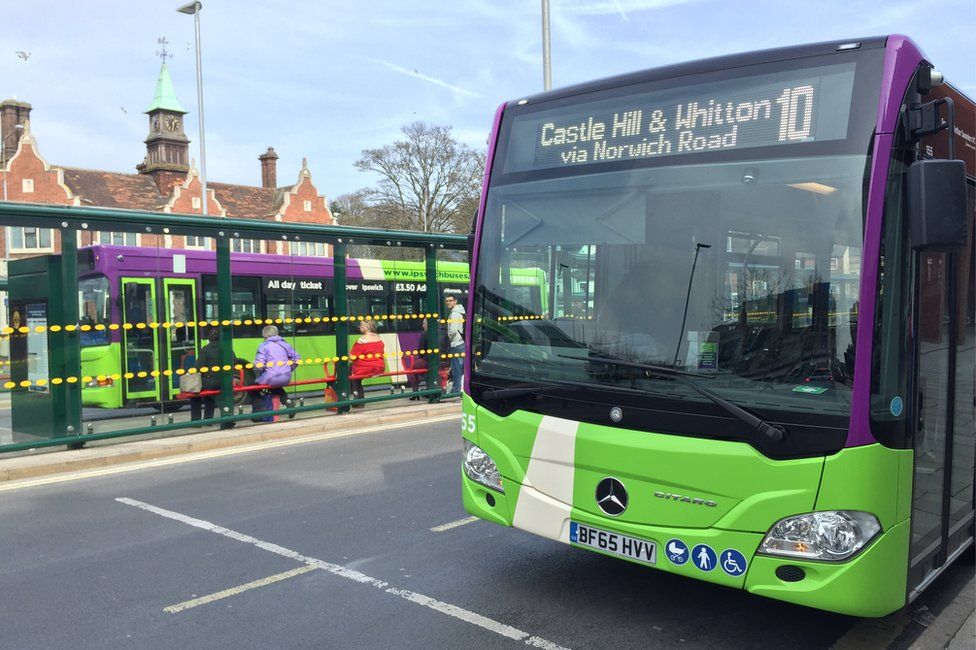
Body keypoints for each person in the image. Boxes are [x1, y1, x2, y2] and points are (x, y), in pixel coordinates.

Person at [253, 325, 300, 419]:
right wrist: (289, 369)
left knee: (254, 389)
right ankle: (289, 403)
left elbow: (259, 365)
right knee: (275, 386)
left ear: (264, 336)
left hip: (271, 377)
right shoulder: (285, 344)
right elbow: (297, 359)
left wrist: (258, 373)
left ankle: (258, 414)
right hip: (286, 376)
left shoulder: (263, 346)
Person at [349, 319, 385, 407]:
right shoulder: (379, 338)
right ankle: (359, 399)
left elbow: (352, 357)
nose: (359, 327)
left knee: (351, 375)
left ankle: (357, 400)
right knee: (355, 376)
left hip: (365, 367)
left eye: (361, 325)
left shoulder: (361, 340)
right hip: (379, 367)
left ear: (367, 327)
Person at [190, 328, 222, 422]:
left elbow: (198, 367)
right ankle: (208, 420)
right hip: (224, 381)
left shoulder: (205, 350)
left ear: (209, 338)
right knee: (210, 396)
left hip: (209, 382)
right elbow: (234, 363)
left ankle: (196, 420)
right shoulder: (227, 349)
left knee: (195, 396)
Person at [445, 294, 465, 393]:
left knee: (456, 369)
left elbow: (452, 330)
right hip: (462, 343)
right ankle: (461, 388)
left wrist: (450, 337)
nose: (448, 302)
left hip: (456, 344)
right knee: (462, 368)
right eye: (447, 301)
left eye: (450, 300)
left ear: (455, 301)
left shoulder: (454, 313)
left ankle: (457, 390)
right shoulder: (461, 312)